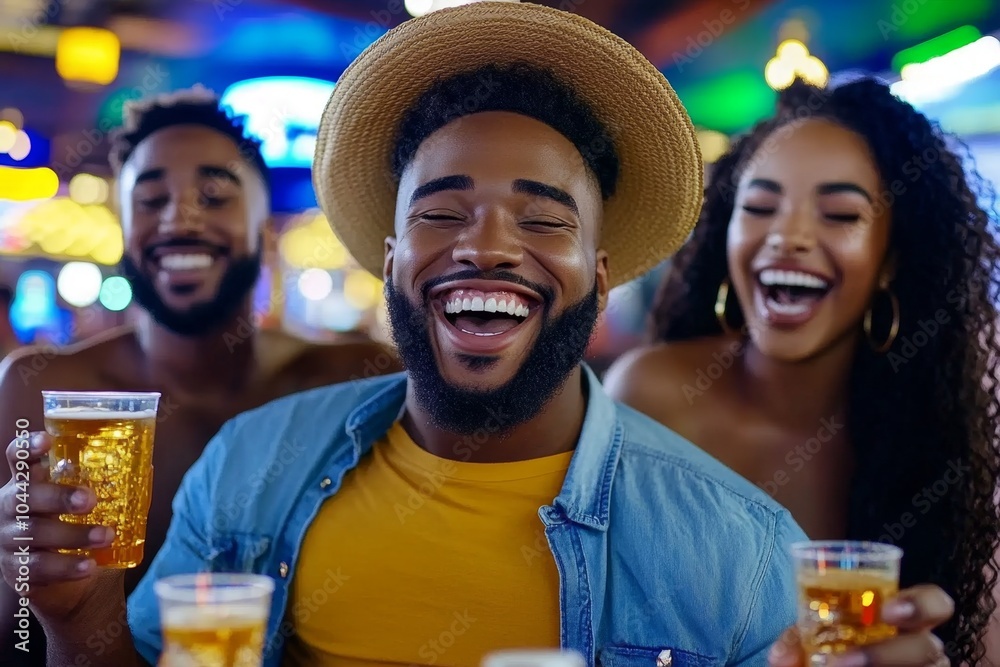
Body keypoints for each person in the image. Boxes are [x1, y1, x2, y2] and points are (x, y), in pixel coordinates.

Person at [0, 5, 952, 667]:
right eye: (443, 211)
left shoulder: (743, 559)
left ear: (601, 269)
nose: (488, 246)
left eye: (543, 219)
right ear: (390, 254)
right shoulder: (250, 468)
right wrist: (79, 622)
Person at [603, 77, 1000, 665]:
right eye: (760, 207)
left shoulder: (945, 440)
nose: (788, 237)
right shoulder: (649, 397)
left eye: (839, 213)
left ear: (891, 262)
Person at [0, 89, 401, 664]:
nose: (180, 217)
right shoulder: (40, 387)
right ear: (124, 228)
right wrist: (14, 565)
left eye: (214, 196)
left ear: (265, 229)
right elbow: (12, 637)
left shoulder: (348, 381)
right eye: (151, 198)